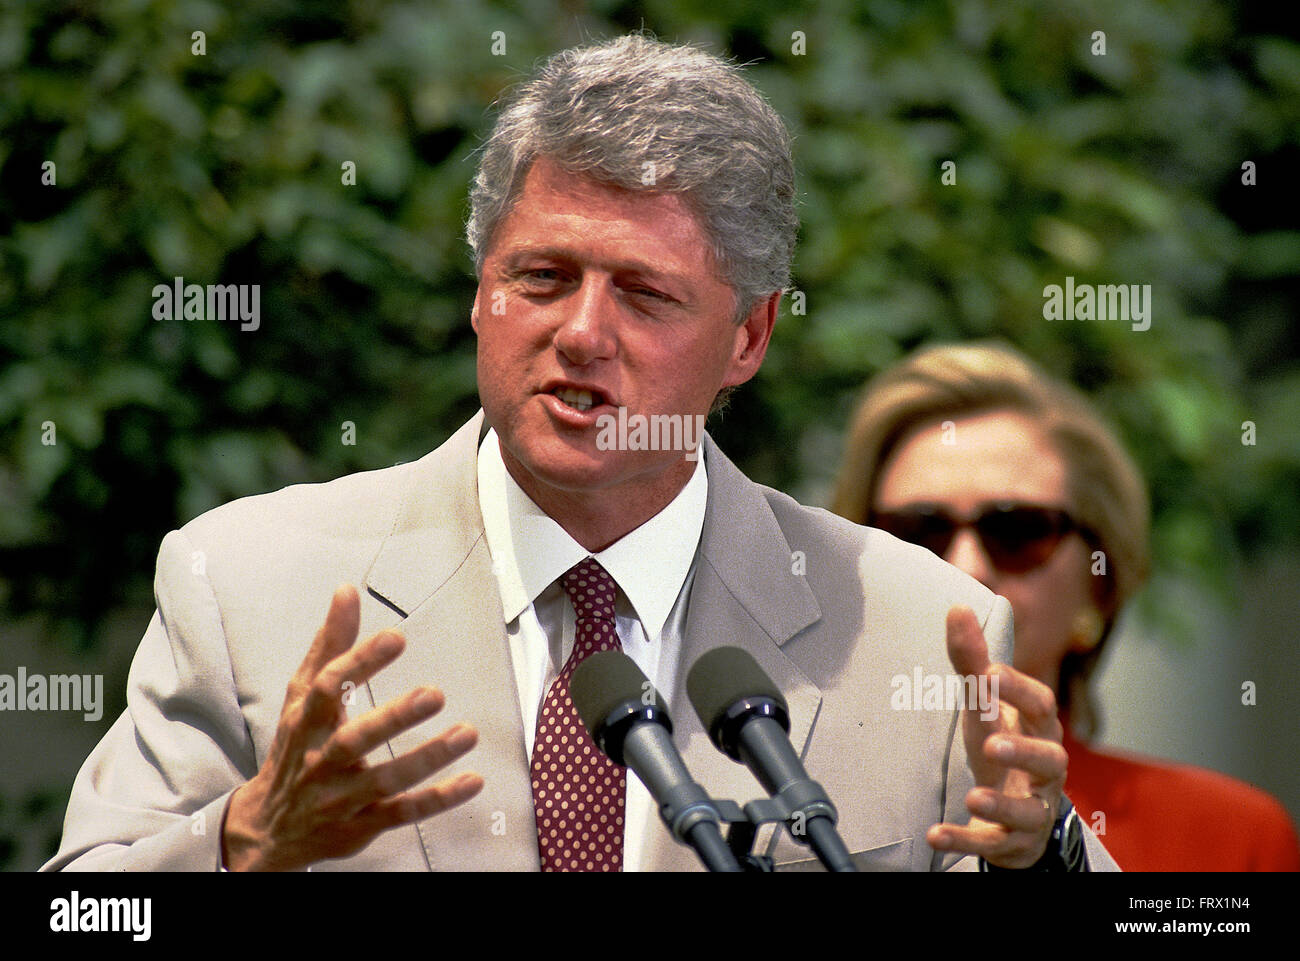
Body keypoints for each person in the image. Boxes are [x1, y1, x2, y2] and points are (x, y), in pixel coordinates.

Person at [44, 36, 1115, 873]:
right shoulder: (247, 585)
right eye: (543, 277)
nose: (582, 334)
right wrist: (240, 841)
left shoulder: (919, 629)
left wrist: (1041, 856)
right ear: (480, 294)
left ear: (750, 336)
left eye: (645, 294)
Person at [830, 341, 1300, 871]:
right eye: (916, 533)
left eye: (1017, 530)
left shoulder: (1228, 836)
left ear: (1098, 589)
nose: (964, 568)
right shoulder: (781, 809)